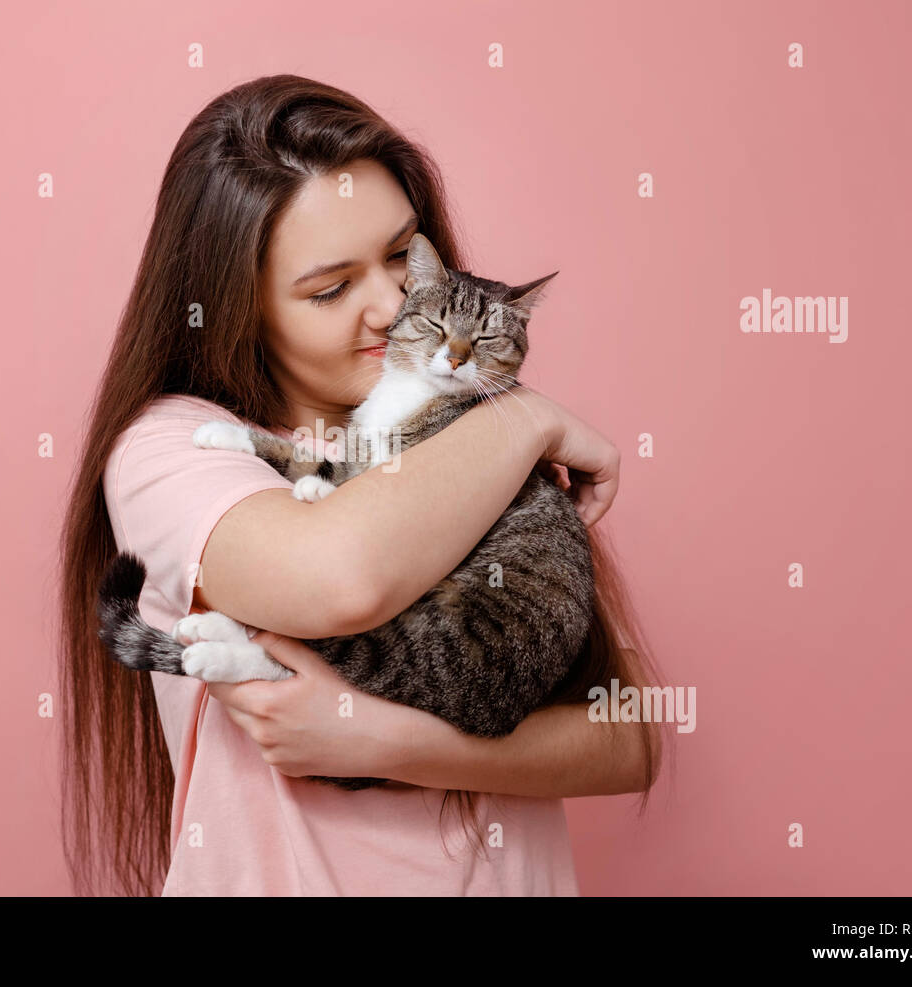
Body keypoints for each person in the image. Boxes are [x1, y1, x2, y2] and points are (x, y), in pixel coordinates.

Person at [59, 75, 669, 896]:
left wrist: (380, 740)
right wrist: (530, 422)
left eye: (401, 256)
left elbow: (627, 736)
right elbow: (338, 579)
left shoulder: (468, 428)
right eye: (332, 287)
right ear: (240, 307)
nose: (392, 303)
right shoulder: (173, 448)